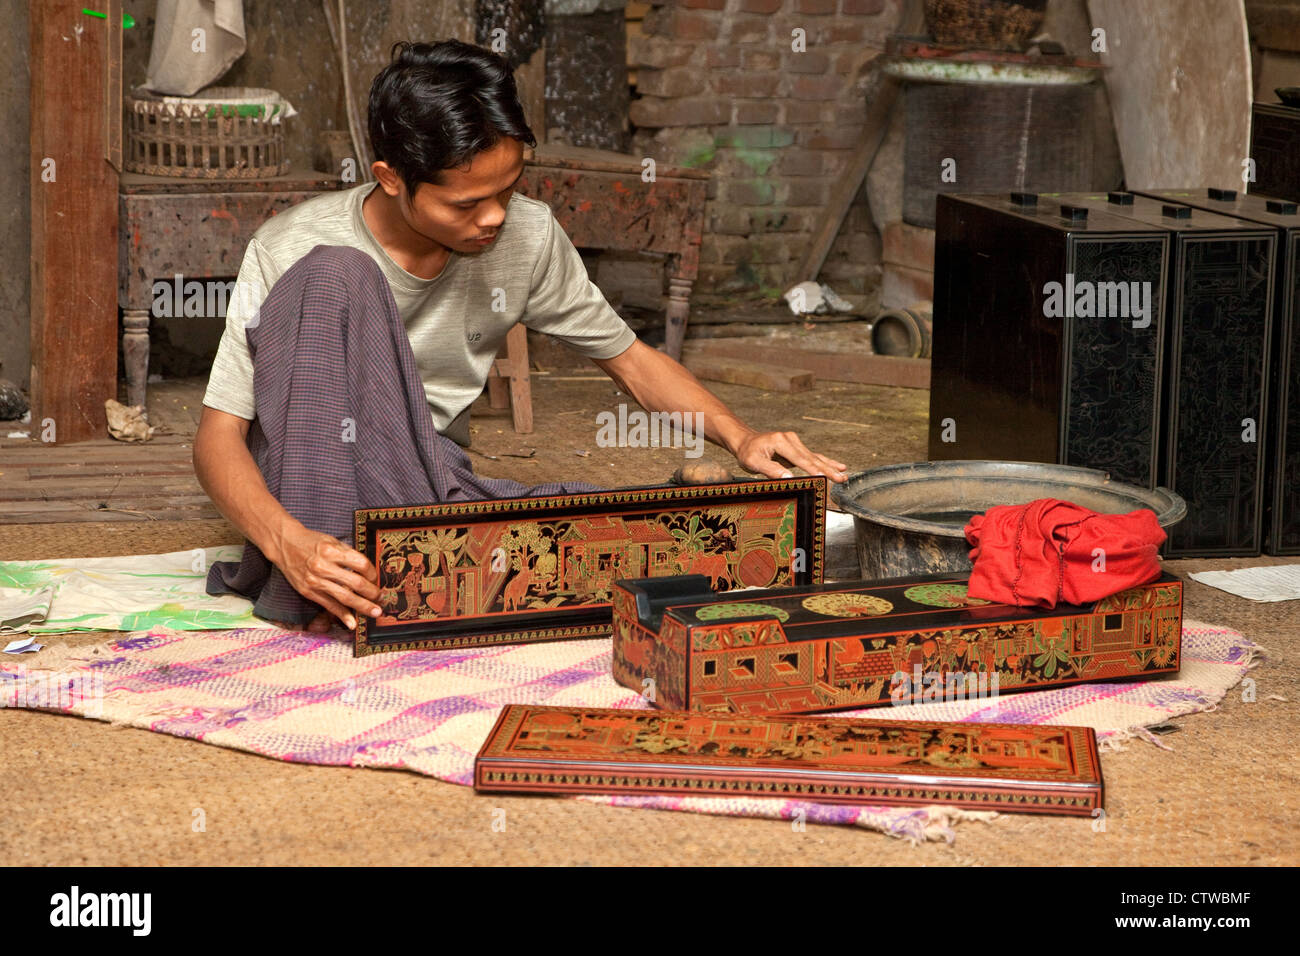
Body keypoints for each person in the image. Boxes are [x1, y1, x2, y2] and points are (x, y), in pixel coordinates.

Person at [193, 39, 847, 634]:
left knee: (602, 529)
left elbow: (632, 361)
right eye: (465, 204)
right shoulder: (292, 246)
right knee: (337, 275)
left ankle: (407, 566)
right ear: (391, 178)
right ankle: (331, 571)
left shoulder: (525, 236)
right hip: (310, 481)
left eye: (509, 188)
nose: (494, 217)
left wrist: (741, 436)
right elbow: (217, 439)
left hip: (425, 482)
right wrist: (287, 543)